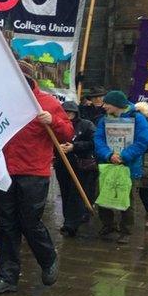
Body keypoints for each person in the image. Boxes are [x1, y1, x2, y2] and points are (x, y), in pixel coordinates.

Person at [0, 61, 73, 295]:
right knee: (5, 224)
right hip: (5, 171)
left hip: (34, 173)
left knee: (29, 221)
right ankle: (7, 276)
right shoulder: (1, 103)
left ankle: (48, 257)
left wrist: (52, 121)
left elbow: (68, 132)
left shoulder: (47, 103)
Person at [93, 91, 148, 244]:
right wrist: (108, 154)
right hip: (108, 163)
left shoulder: (138, 118)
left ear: (117, 104)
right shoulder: (104, 120)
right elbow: (98, 139)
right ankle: (108, 225)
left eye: (107, 103)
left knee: (127, 198)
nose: (103, 106)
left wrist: (124, 156)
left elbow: (143, 141)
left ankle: (126, 230)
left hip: (129, 165)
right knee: (102, 194)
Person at [56, 101, 98, 237]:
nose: (67, 115)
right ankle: (69, 219)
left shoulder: (86, 125)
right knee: (66, 192)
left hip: (81, 164)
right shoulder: (57, 126)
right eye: (65, 112)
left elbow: (93, 142)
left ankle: (71, 224)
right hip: (62, 164)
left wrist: (74, 147)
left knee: (76, 193)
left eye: (70, 112)